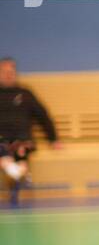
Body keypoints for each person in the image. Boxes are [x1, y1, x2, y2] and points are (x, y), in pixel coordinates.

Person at [0, 56, 61, 189]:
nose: (8, 75)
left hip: (22, 139)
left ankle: (16, 171)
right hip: (1, 140)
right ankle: (15, 172)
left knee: (21, 150)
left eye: (11, 72)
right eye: (4, 72)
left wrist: (53, 139)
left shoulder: (25, 93)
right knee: (3, 151)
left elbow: (42, 115)